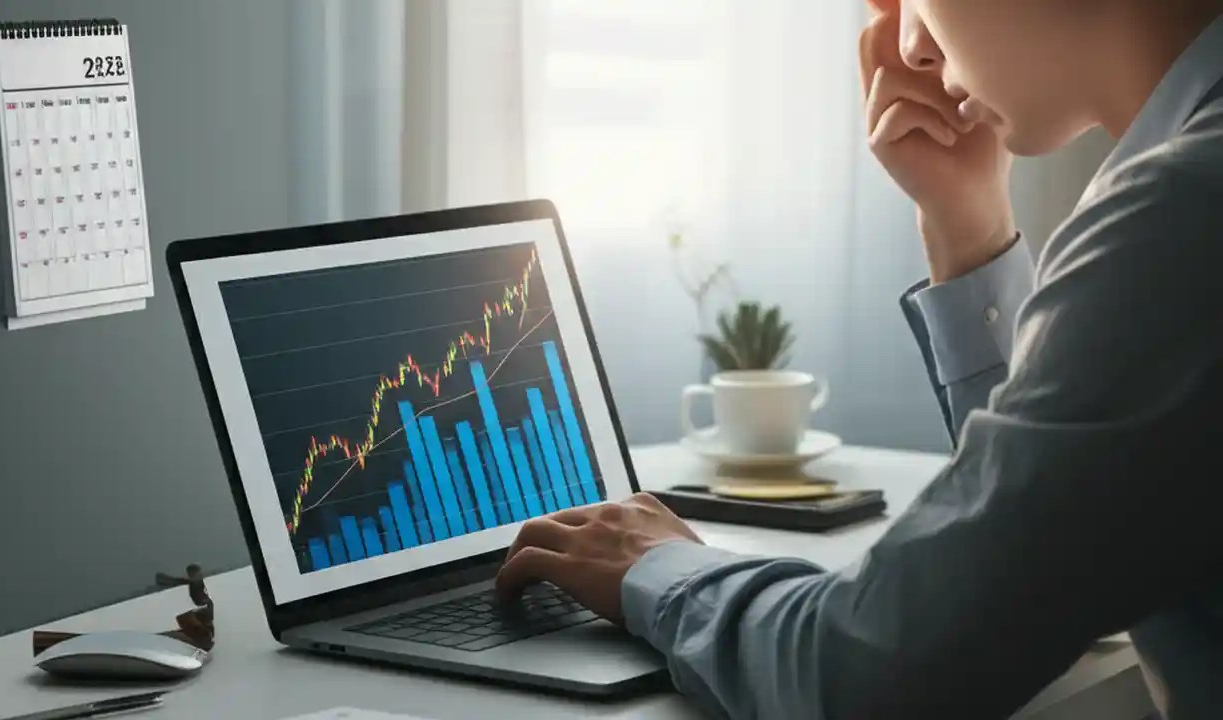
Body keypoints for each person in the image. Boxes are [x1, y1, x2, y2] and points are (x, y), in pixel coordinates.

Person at [495, 0, 1223, 717]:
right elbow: (1056, 576)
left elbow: (859, 679)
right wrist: (967, 227)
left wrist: (653, 568)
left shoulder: (1181, 218)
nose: (908, 46)